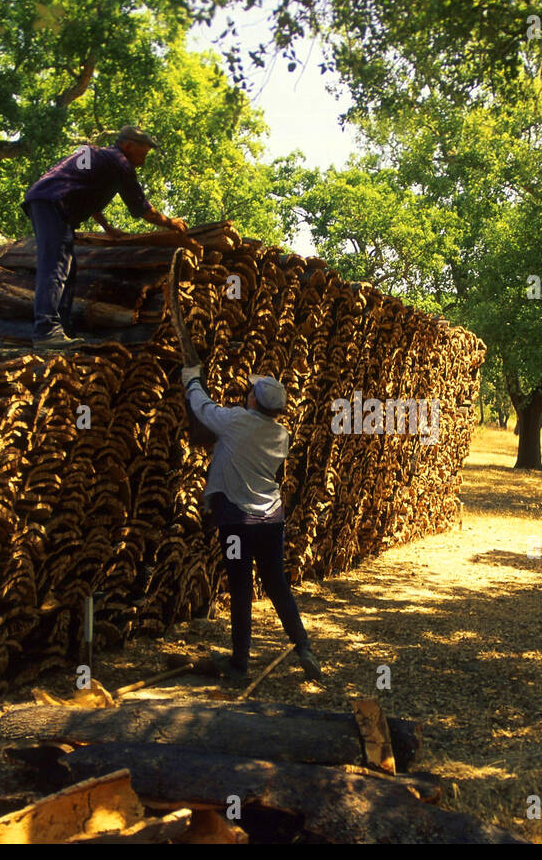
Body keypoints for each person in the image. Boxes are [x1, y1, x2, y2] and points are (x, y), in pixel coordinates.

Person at [168, 299, 322, 684]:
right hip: (270, 520)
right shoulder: (281, 434)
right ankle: (302, 645)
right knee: (276, 584)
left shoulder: (236, 421)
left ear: (253, 400)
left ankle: (239, 664)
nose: (247, 394)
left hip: (237, 523)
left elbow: (204, 409)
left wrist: (192, 378)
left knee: (239, 588)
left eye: (250, 392)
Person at [21, 125, 187, 348]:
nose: (145, 158)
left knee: (67, 269)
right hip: (52, 203)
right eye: (144, 152)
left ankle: (62, 330)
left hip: (48, 202)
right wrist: (170, 222)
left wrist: (107, 228)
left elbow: (87, 195)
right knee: (55, 266)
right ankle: (46, 331)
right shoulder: (120, 162)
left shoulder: (103, 160)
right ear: (128, 146)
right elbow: (140, 208)